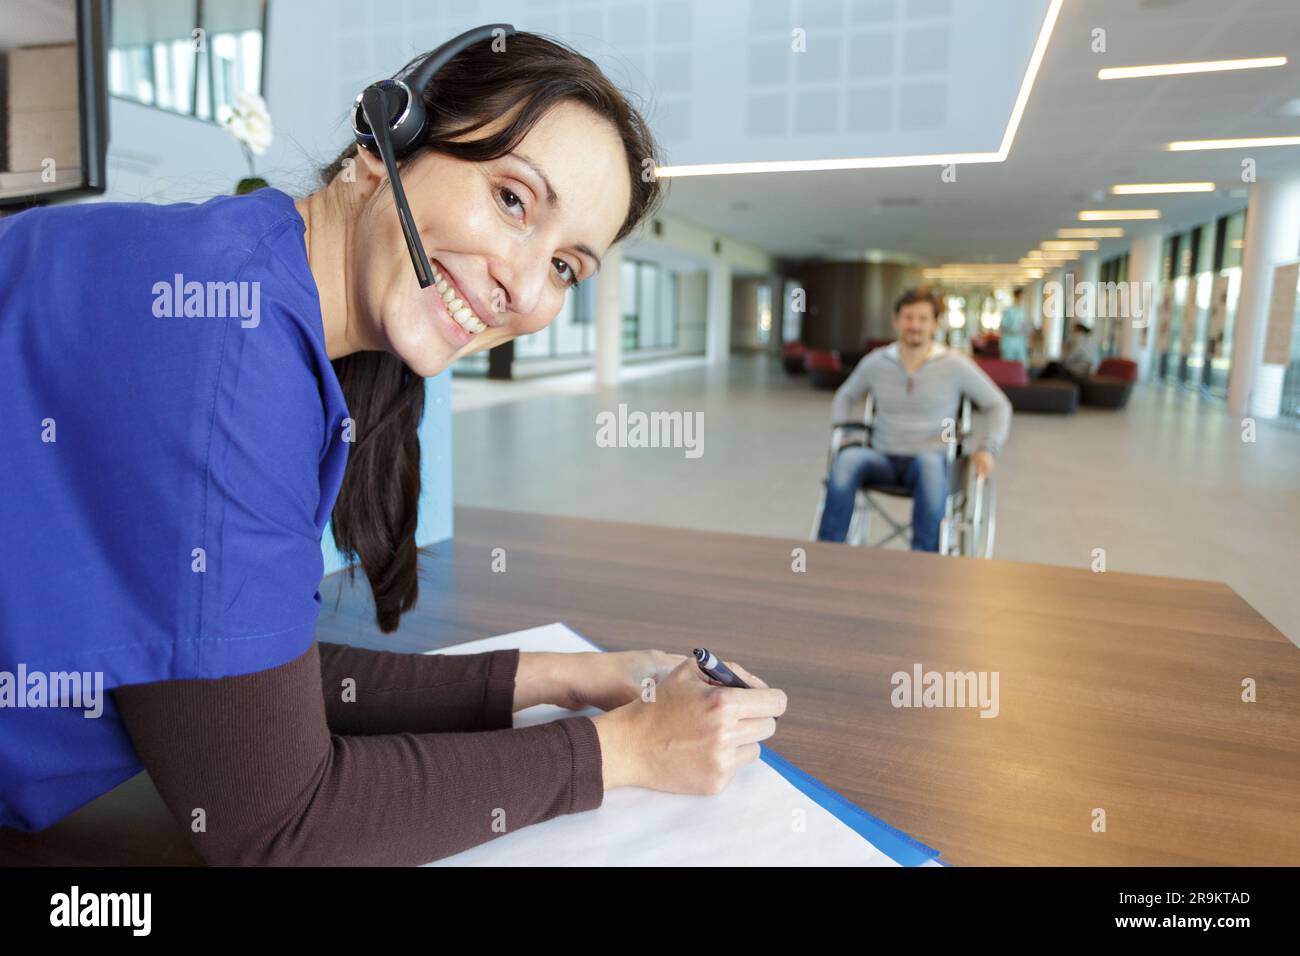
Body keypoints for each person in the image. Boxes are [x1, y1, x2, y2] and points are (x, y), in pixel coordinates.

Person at [0, 31, 786, 864]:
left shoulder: (245, 277)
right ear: (384, 143)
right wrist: (628, 752)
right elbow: (279, 826)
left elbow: (254, 677)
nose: (522, 287)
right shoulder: (224, 349)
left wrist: (571, 677)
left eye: (564, 266)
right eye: (514, 200)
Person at [816, 288, 1012, 552]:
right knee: (846, 460)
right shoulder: (876, 363)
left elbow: (998, 404)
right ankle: (826, 553)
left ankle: (924, 563)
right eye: (908, 318)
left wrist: (988, 448)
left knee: (930, 466)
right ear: (896, 321)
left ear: (934, 324)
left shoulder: (955, 365)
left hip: (931, 459)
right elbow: (845, 397)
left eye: (922, 319)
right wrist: (848, 435)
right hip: (882, 457)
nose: (915, 325)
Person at [1041, 322, 1097, 387]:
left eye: (1073, 329)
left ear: (1077, 329)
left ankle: (1040, 386)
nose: (1071, 332)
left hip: (1075, 371)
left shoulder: (1078, 337)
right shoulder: (1089, 340)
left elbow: (1072, 355)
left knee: (1052, 366)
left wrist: (1062, 361)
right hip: (1084, 371)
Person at [999, 287, 1029, 364]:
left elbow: (1025, 325)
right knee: (1009, 365)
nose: (1022, 300)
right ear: (1016, 297)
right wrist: (1013, 330)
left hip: (1020, 342)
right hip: (1009, 342)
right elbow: (1002, 327)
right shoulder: (1009, 311)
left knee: (1022, 365)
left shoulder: (1023, 311)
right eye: (1021, 297)